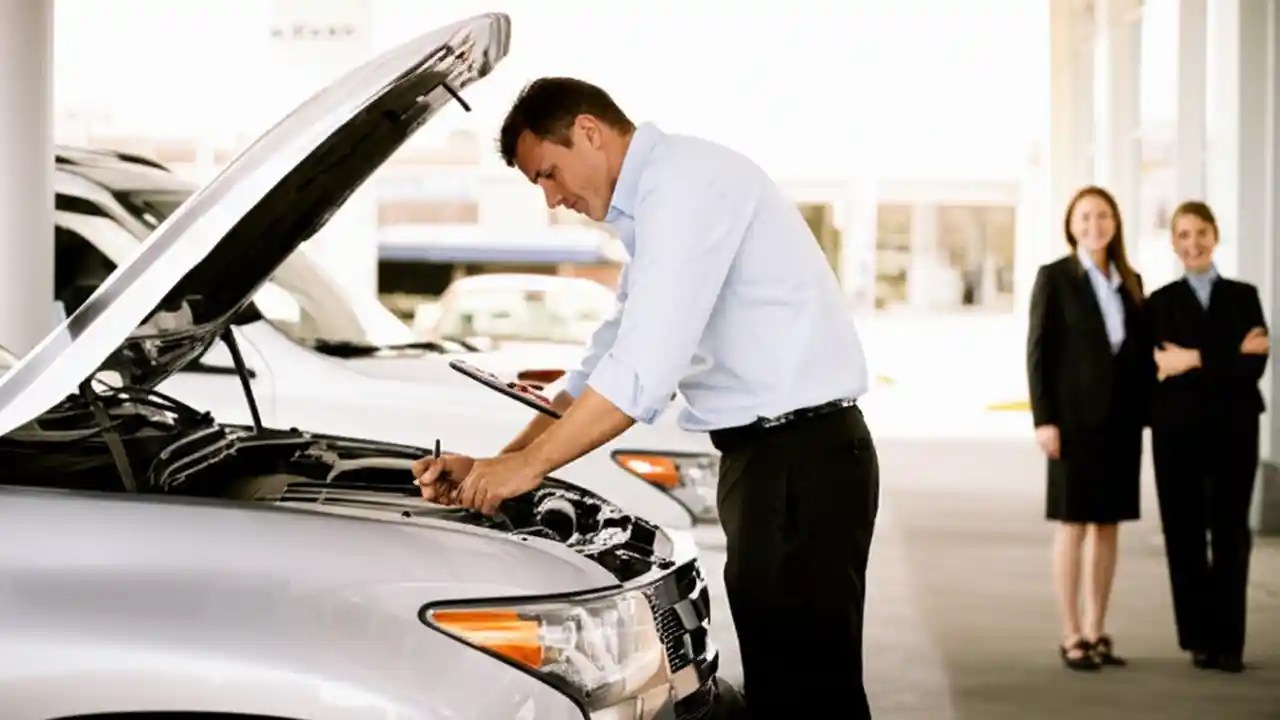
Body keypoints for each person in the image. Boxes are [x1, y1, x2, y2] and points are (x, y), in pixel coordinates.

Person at [411, 77, 879, 717]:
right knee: (785, 690)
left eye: (548, 173)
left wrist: (525, 469)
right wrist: (494, 467)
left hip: (801, 459)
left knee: (809, 697)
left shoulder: (684, 186)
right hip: (770, 462)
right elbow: (606, 360)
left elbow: (642, 370)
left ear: (588, 132)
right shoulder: (658, 206)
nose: (552, 199)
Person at [1026, 185, 1153, 671]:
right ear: (1071, 224)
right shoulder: (1055, 278)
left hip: (1120, 425)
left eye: (1102, 216)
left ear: (1115, 222)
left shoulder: (1133, 281)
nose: (1093, 224)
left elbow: (1141, 354)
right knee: (1073, 524)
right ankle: (1071, 631)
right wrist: (1045, 419)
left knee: (1108, 525)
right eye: (1084, 217)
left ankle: (1098, 627)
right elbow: (1039, 352)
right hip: (1072, 424)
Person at [1146, 200, 1269, 673]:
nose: (1193, 243)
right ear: (1174, 243)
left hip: (1235, 431)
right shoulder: (1160, 303)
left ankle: (1229, 642)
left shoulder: (1243, 296)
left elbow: (1253, 366)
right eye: (1183, 235)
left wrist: (1193, 360)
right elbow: (1160, 367)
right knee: (1185, 534)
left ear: (1215, 236)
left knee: (1232, 534)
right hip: (1176, 435)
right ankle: (1199, 637)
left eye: (1201, 232)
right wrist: (1225, 356)